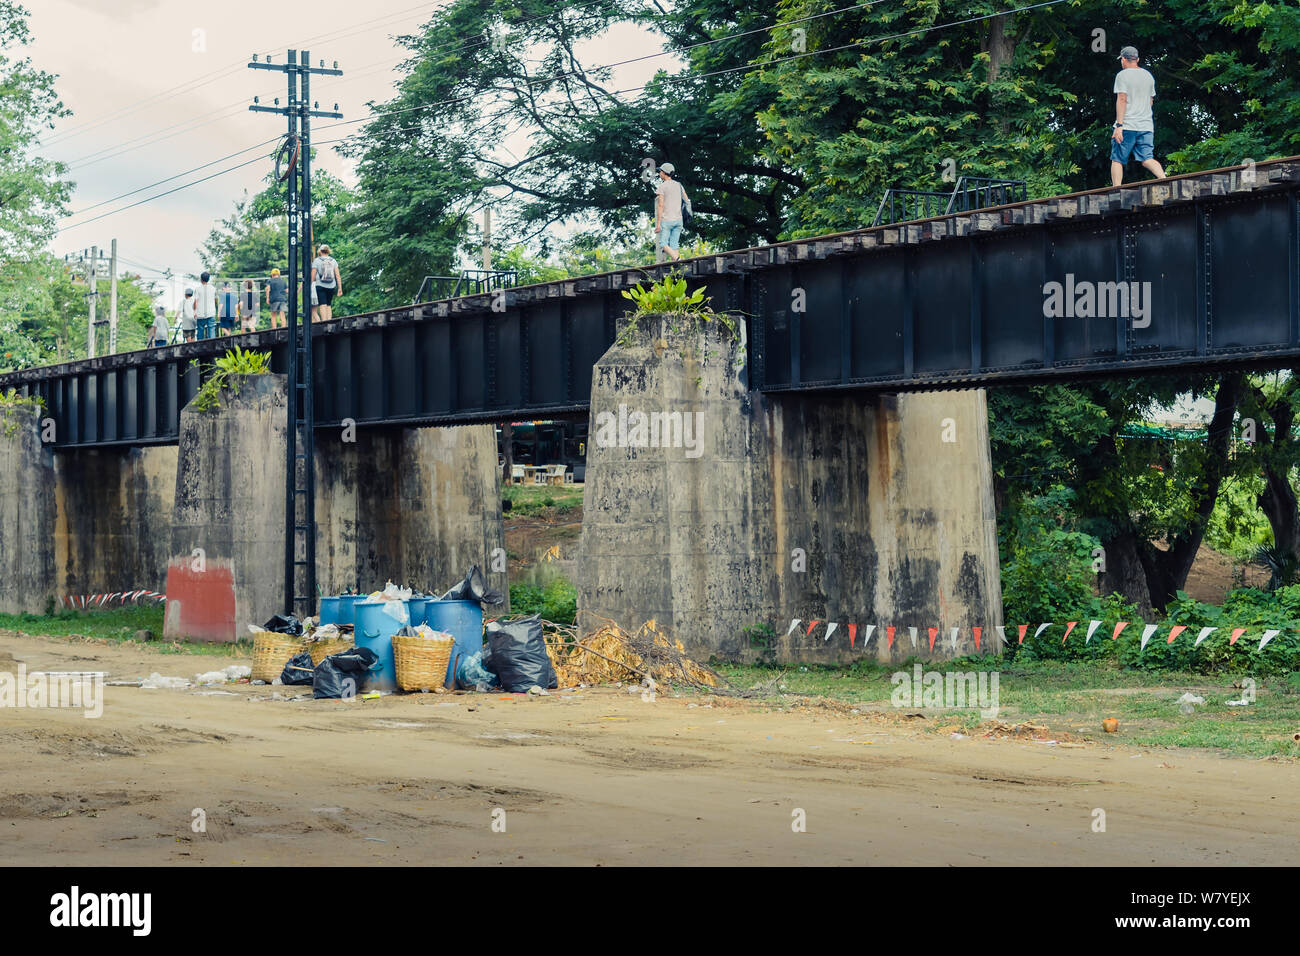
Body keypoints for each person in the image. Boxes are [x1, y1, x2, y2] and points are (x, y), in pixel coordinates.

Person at [1110, 46, 1166, 187]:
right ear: (1137, 59)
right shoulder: (1148, 76)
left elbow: (1122, 99)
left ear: (1123, 59)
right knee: (1147, 159)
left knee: (1117, 159)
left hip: (1127, 125)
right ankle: (1165, 180)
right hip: (1146, 126)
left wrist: (1119, 125)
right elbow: (1150, 101)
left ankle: (1116, 189)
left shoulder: (1122, 75)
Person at [654, 162, 690, 263]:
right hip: (679, 220)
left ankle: (678, 260)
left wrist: (658, 225)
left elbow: (660, 205)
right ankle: (678, 268)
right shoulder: (678, 185)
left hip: (667, 220)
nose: (659, 173)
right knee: (674, 245)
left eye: (660, 171)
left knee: (663, 243)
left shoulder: (662, 186)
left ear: (664, 173)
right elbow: (687, 200)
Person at [311, 244, 341, 322]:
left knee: (322, 304)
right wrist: (340, 288)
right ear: (328, 251)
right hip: (331, 285)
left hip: (320, 285)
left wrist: (310, 284)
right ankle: (329, 322)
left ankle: (324, 322)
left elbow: (313, 275)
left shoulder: (317, 260)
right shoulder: (333, 260)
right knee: (328, 304)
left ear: (320, 251)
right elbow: (337, 275)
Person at [194, 273, 217, 340]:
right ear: (208, 279)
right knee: (212, 330)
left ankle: (200, 348)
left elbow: (196, 301)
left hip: (200, 313)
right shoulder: (213, 289)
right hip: (211, 312)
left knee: (200, 331)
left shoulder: (198, 289)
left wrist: (195, 312)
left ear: (201, 279)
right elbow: (215, 300)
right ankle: (213, 347)